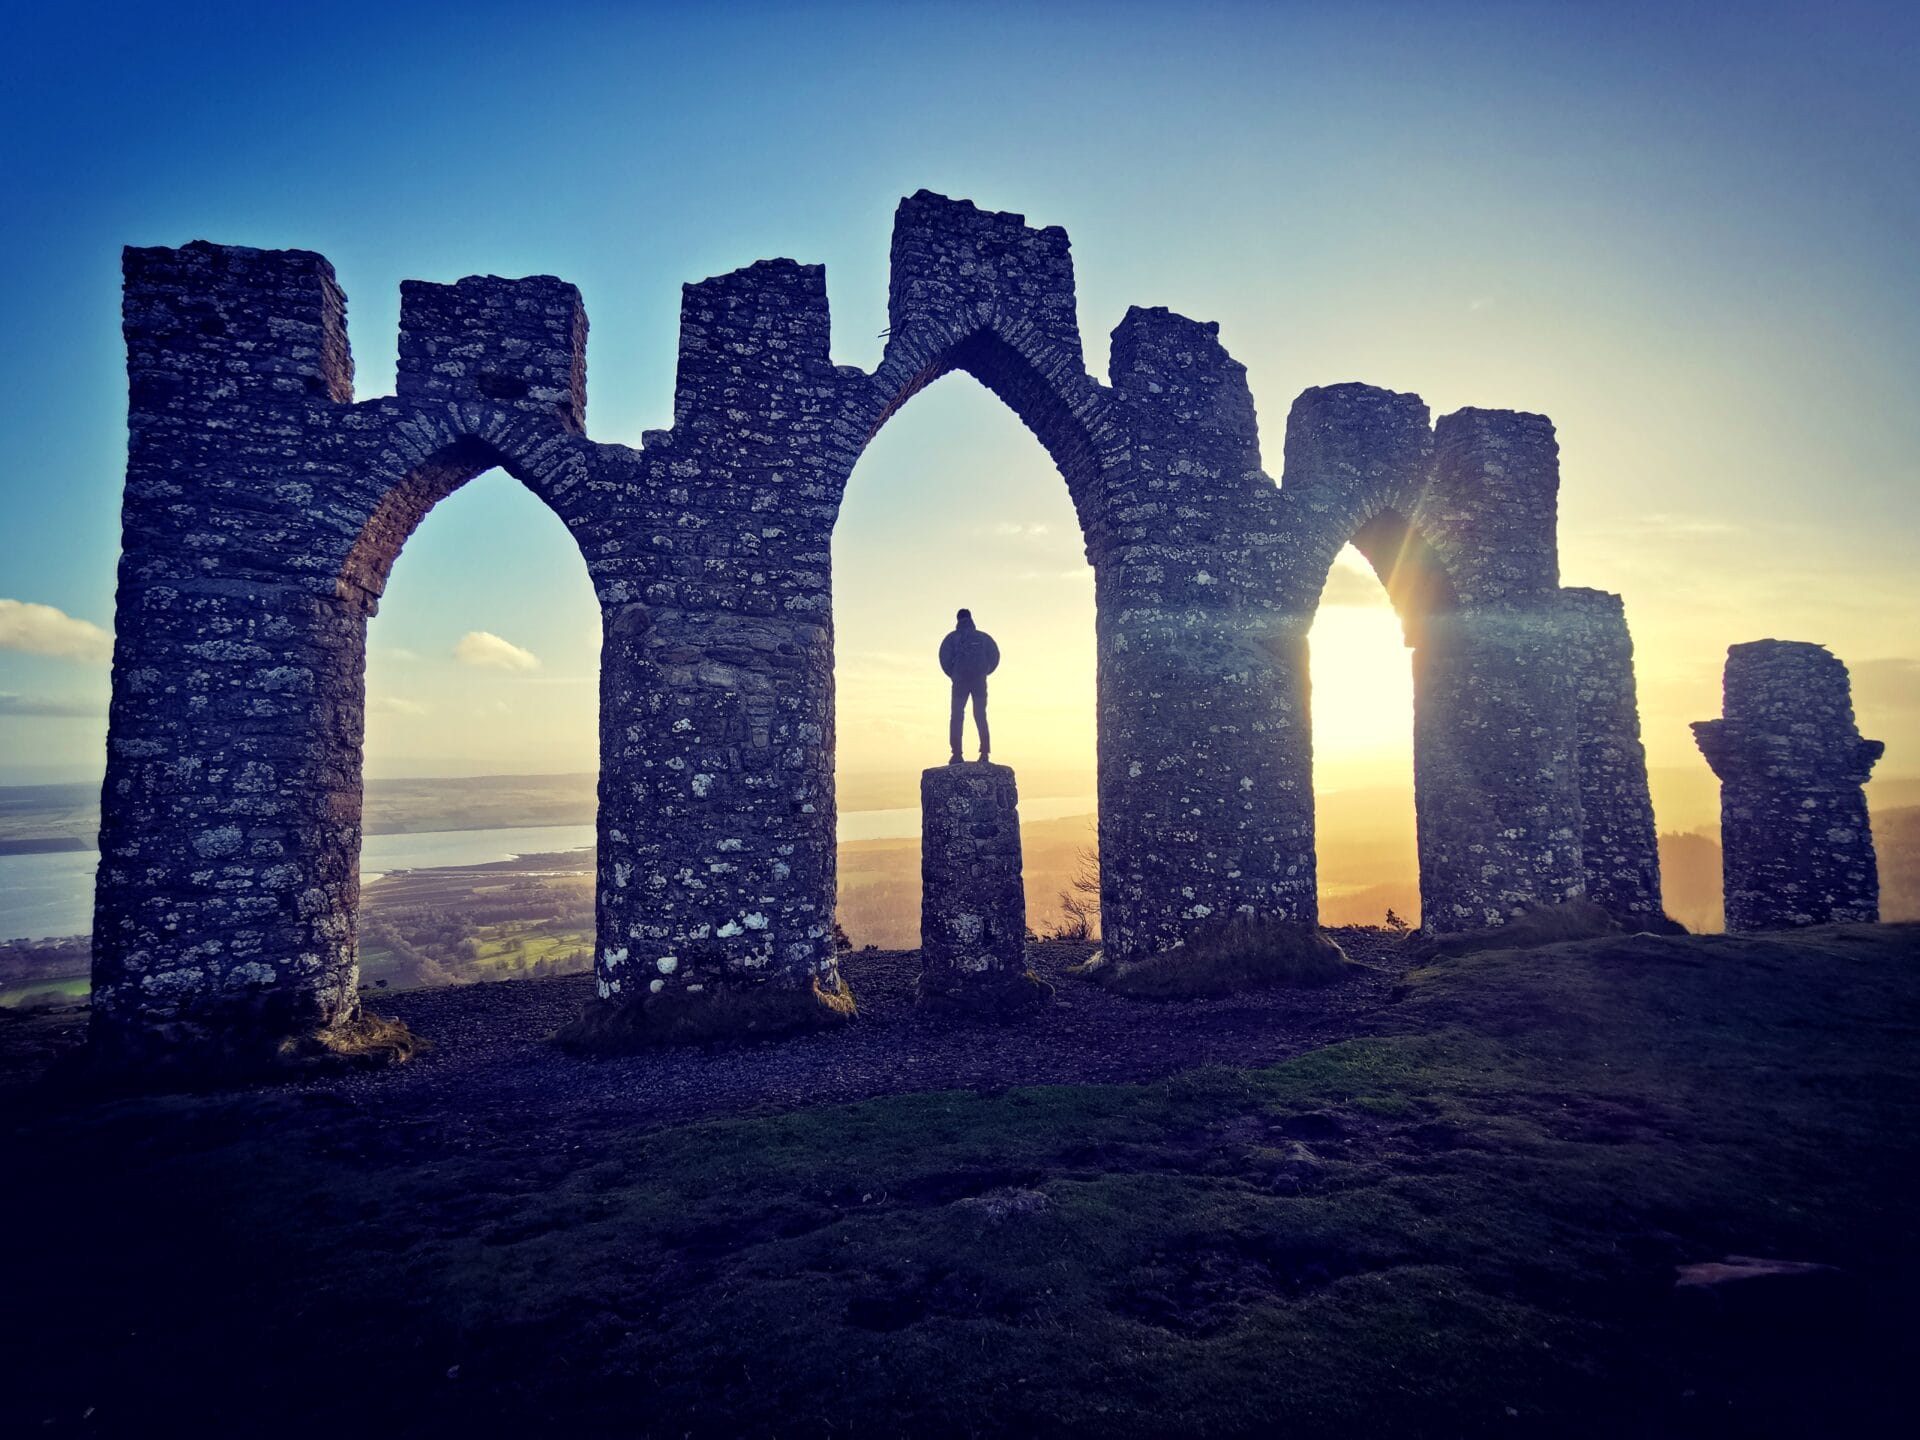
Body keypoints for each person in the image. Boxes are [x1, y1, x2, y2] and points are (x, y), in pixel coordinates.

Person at [938, 608, 1000, 764]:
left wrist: (954, 674)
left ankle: (957, 754)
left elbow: (944, 659)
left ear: (957, 620)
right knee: (980, 715)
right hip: (979, 681)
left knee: (957, 716)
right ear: (971, 619)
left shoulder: (952, 638)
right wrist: (984, 672)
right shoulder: (983, 637)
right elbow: (995, 656)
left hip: (960, 682)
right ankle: (985, 753)